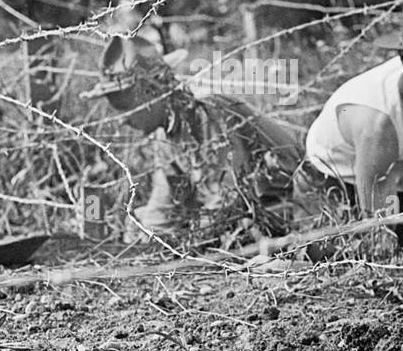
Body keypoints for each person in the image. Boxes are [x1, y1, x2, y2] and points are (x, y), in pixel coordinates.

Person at [81, 35, 305, 248]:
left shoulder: (207, 112)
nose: (122, 121)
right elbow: (164, 208)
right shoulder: (166, 136)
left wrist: (183, 243)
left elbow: (229, 199)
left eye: (123, 109)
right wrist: (144, 241)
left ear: (149, 92)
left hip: (297, 209)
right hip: (250, 221)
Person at [302, 0, 403, 252]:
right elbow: (374, 215)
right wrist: (391, 245)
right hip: (335, 184)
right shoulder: (379, 123)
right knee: (373, 250)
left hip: (396, 170)